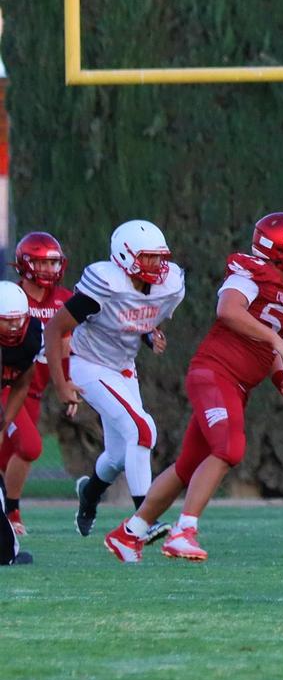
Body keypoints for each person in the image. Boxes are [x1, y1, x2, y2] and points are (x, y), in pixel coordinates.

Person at [112, 214, 283, 561]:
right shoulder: (250, 271)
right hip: (215, 373)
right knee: (229, 448)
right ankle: (183, 531)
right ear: (278, 249)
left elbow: (267, 345)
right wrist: (275, 341)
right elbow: (229, 311)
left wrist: (280, 376)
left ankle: (129, 533)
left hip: (235, 385)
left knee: (187, 467)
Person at [48, 220, 187, 545]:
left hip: (124, 369)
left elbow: (139, 318)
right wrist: (62, 383)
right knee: (143, 430)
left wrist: (150, 336)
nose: (157, 265)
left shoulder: (169, 285)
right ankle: (144, 519)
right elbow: (55, 330)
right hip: (88, 365)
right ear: (124, 257)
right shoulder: (106, 283)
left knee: (118, 454)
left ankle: (89, 492)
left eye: (159, 257)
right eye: (148, 257)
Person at [1, 231, 70, 549]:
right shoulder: (10, 298)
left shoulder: (63, 301)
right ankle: (12, 515)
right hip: (6, 386)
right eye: (42, 263)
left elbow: (69, 346)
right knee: (30, 446)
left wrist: (65, 385)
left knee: (6, 459)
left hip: (30, 389)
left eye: (53, 263)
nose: (49, 270)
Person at [0, 282, 49, 564]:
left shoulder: (31, 335)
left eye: (19, 319)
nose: (15, 327)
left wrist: (5, 420)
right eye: (7, 322)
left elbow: (23, 380)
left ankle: (7, 551)